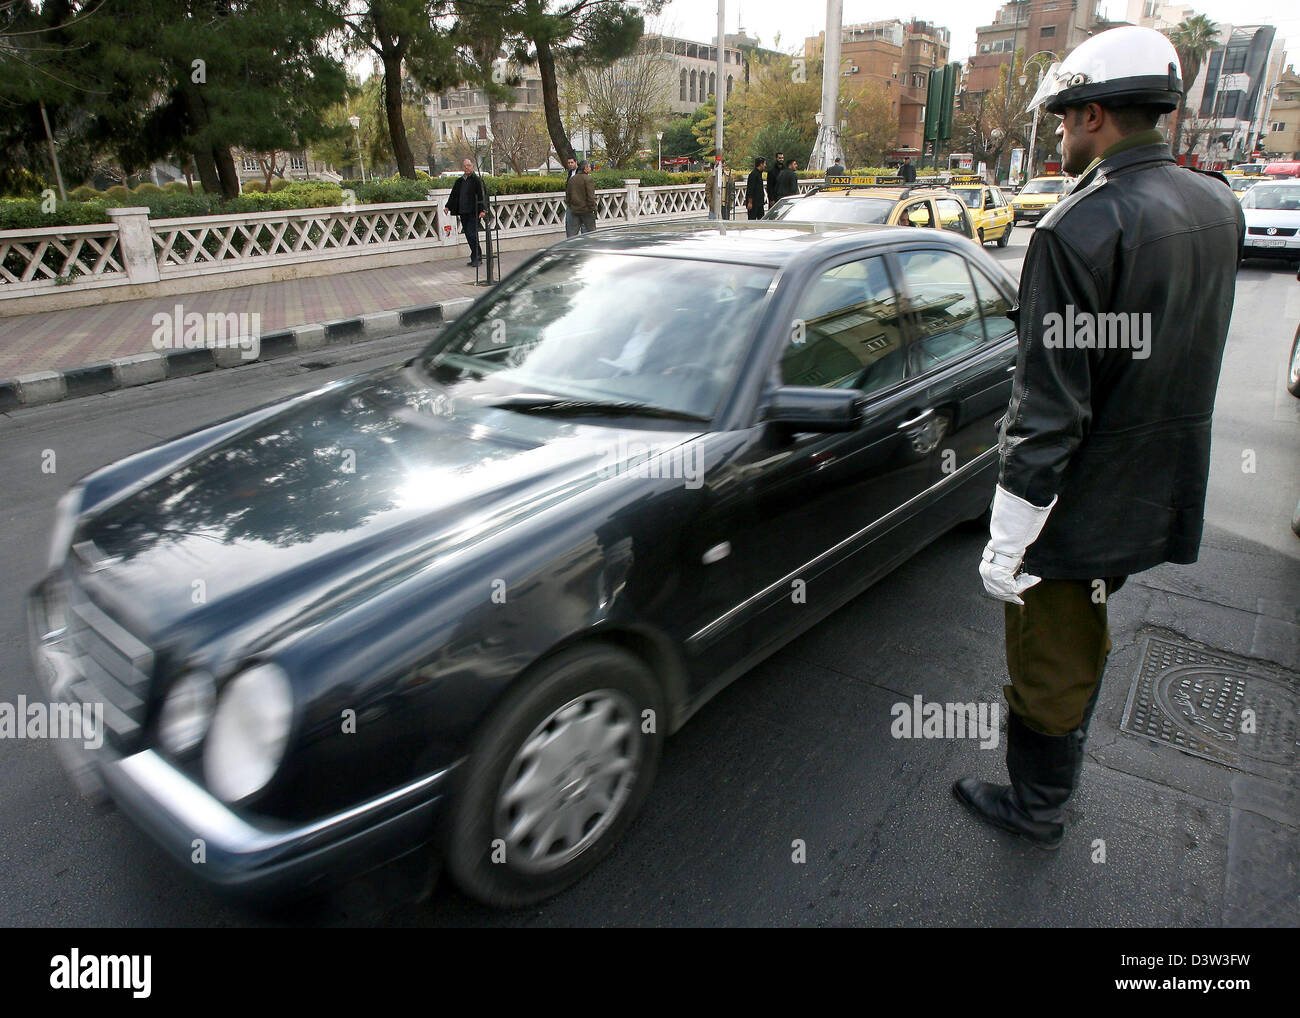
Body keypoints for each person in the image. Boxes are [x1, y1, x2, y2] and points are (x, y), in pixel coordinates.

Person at [954, 25, 1245, 850]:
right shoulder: (1214, 202)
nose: (1056, 131)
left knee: (1048, 648)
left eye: (1062, 115)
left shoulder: (1078, 229)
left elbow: (1049, 407)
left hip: (1076, 503)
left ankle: (1037, 806)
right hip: (1157, 479)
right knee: (1086, 620)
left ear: (1094, 115)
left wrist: (1009, 535)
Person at [444, 158, 487, 267]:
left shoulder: (476, 180)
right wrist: (448, 206)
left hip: (474, 212)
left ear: (472, 166)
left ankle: (478, 257)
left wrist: (482, 210)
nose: (466, 168)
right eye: (464, 166)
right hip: (463, 212)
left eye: (468, 165)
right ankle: (474, 257)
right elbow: (453, 195)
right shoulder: (459, 181)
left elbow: (481, 196)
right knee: (468, 235)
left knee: (472, 234)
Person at [566, 160, 597, 234]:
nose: (590, 168)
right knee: (590, 235)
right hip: (586, 211)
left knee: (572, 235)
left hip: (574, 210)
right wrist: (593, 209)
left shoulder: (572, 179)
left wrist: (571, 206)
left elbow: (568, 197)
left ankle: (573, 246)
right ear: (585, 168)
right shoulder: (588, 179)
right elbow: (591, 197)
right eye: (589, 167)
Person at [563, 156, 580, 237]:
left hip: (580, 204)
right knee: (569, 226)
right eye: (569, 163)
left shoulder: (580, 172)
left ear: (576, 162)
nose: (570, 164)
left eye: (572, 162)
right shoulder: (570, 173)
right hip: (570, 203)